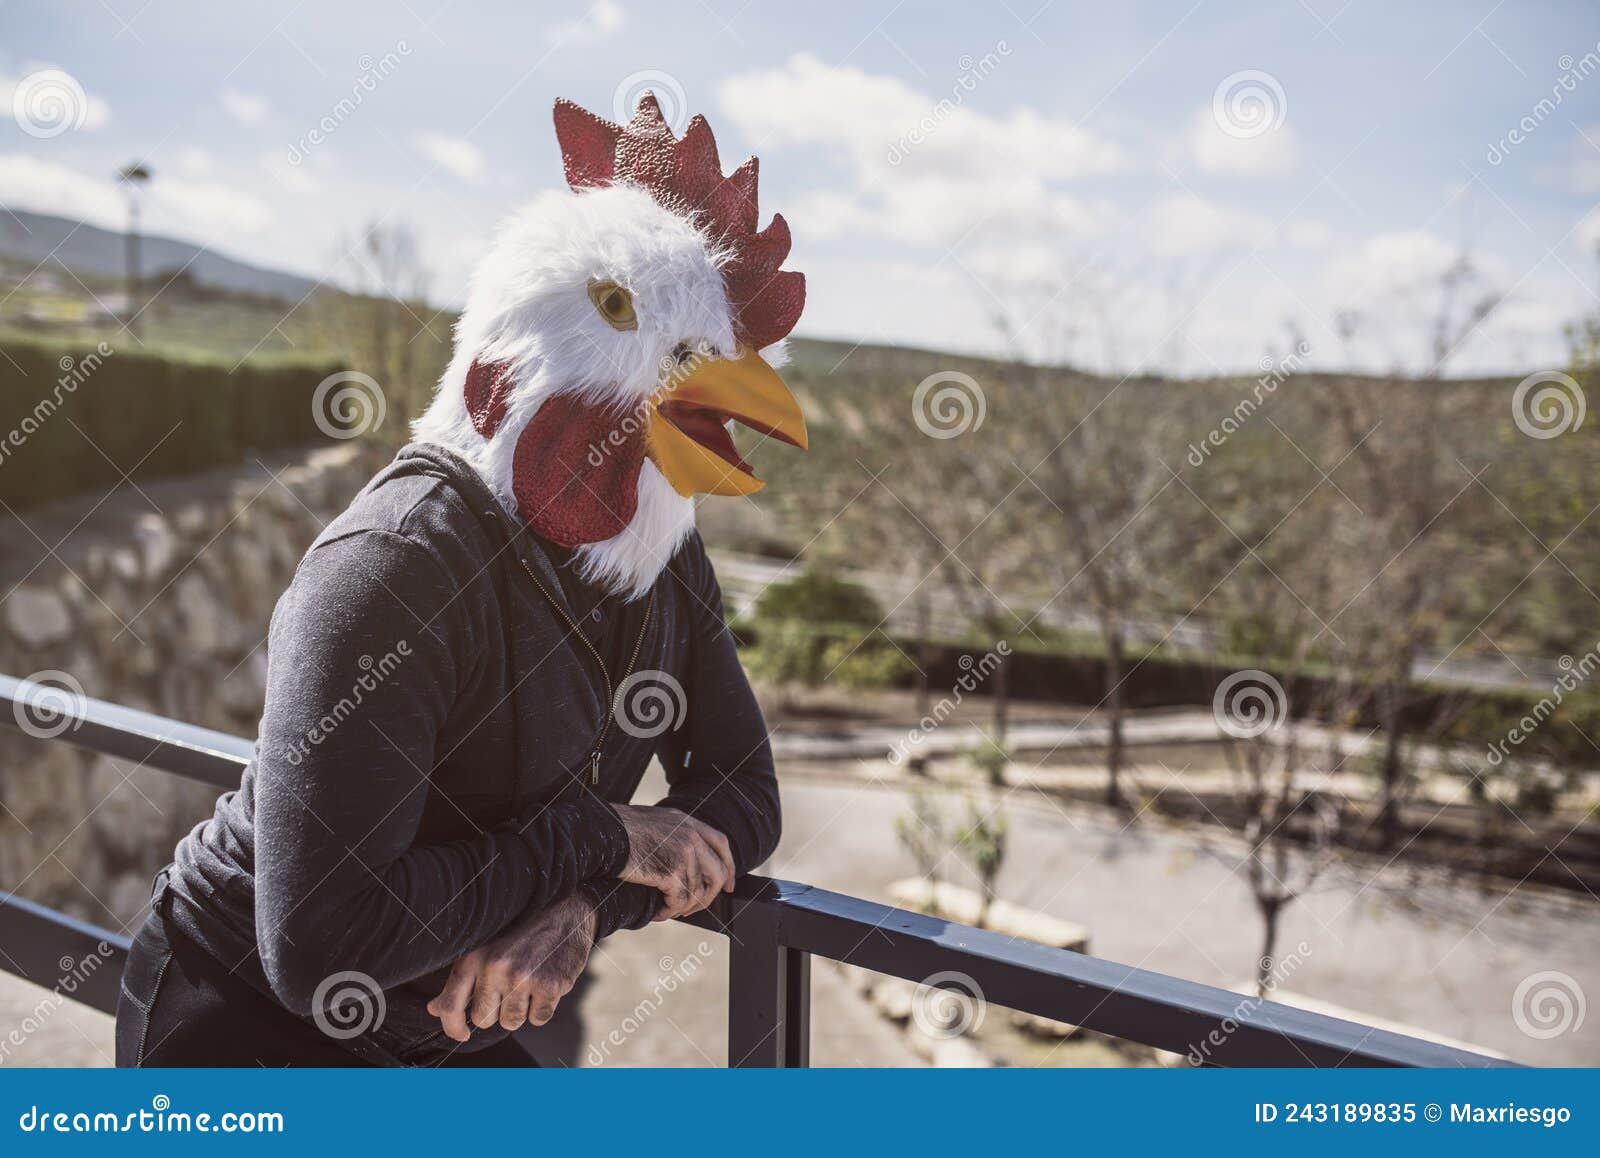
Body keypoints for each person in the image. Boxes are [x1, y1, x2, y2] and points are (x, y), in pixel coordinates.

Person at [115, 92, 808, 1067]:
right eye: (629, 317)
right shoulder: (394, 565)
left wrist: (585, 904)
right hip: (249, 1025)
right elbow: (324, 946)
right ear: (511, 348)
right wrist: (600, 836)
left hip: (448, 1023)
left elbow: (740, 788)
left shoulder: (663, 550)